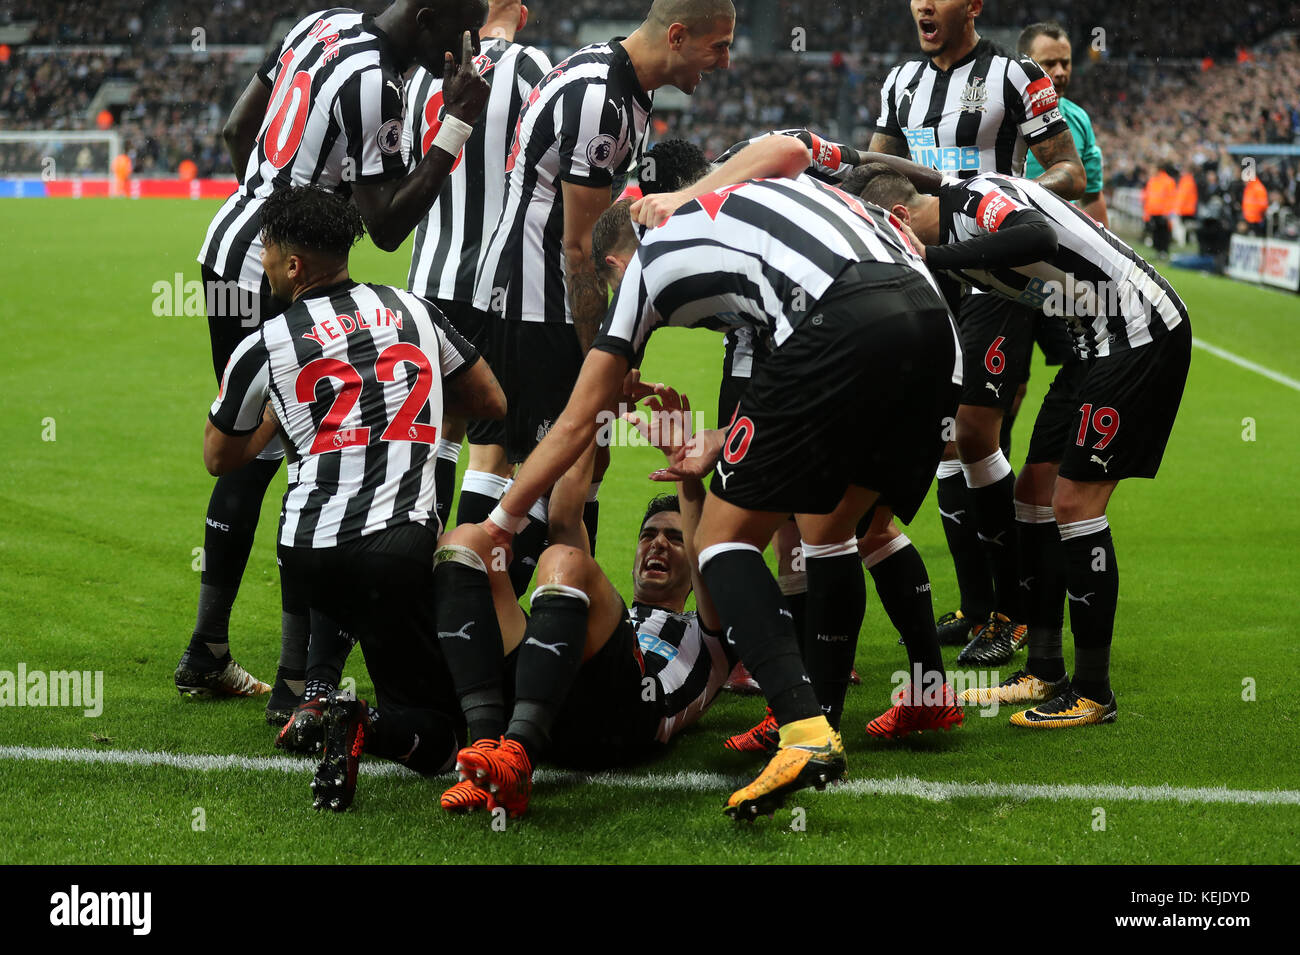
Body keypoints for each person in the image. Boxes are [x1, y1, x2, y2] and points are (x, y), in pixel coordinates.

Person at [477, 137, 963, 819]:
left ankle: (803, 726)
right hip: (933, 324)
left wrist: (501, 519)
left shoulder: (645, 261)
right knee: (834, 532)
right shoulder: (750, 201)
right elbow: (791, 148)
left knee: (723, 542)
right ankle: (826, 713)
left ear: (616, 260)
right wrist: (723, 441)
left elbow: (577, 418)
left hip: (838, 316)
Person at [181, 1, 493, 723]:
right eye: (458, 29)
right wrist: (457, 123)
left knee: (249, 451)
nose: (463, 47)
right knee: (326, 461)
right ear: (425, 15)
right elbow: (386, 227)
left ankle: (208, 648)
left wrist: (273, 225)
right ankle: (302, 685)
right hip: (293, 270)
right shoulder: (376, 82)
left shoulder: (317, 23)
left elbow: (236, 130)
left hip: (234, 245)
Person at [857, 162, 1191, 727]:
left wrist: (929, 257)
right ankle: (1043, 668)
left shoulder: (975, 203)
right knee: (1032, 496)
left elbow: (1039, 236)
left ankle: (1093, 692)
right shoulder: (951, 214)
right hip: (1093, 344)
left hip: (1137, 333)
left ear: (900, 219)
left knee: (1073, 504)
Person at [204, 185, 506, 810]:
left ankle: (314, 693)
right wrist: (405, 416)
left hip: (307, 557)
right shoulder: (412, 308)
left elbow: (220, 457)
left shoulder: (266, 342)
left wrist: (286, 421)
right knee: (445, 730)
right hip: (397, 548)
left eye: (265, 252)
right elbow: (491, 402)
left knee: (347, 581)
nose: (260, 264)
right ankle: (357, 716)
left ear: (293, 266)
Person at [469, 0, 735, 592]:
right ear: (676, 34)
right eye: (717, 46)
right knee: (551, 487)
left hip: (537, 297)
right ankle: (513, 627)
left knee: (569, 471)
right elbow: (578, 246)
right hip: (535, 304)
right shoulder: (601, 97)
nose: (724, 61)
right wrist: (605, 358)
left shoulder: (619, 85)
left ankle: (548, 627)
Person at [869, 0, 1086, 664]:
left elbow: (1069, 171)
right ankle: (977, 603)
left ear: (974, 6)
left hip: (995, 273)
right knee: (942, 443)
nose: (924, 6)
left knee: (973, 432)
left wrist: (1002, 197)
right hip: (927, 274)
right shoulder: (900, 82)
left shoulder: (1016, 75)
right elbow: (876, 176)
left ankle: (1015, 613)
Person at [431, 391, 733, 817]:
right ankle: (486, 745)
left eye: (675, 538)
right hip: (558, 702)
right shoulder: (606, 614)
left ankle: (517, 755)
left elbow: (706, 550)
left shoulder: (708, 630)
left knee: (566, 560)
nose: (658, 545)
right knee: (462, 543)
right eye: (648, 536)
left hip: (628, 722)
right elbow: (564, 515)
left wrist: (685, 470)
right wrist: (597, 408)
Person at [405, 0, 551, 534]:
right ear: (523, 13)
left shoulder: (422, 76)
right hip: (495, 284)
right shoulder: (532, 68)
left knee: (439, 429)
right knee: (492, 446)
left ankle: (424, 555)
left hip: (427, 279)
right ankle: (462, 583)